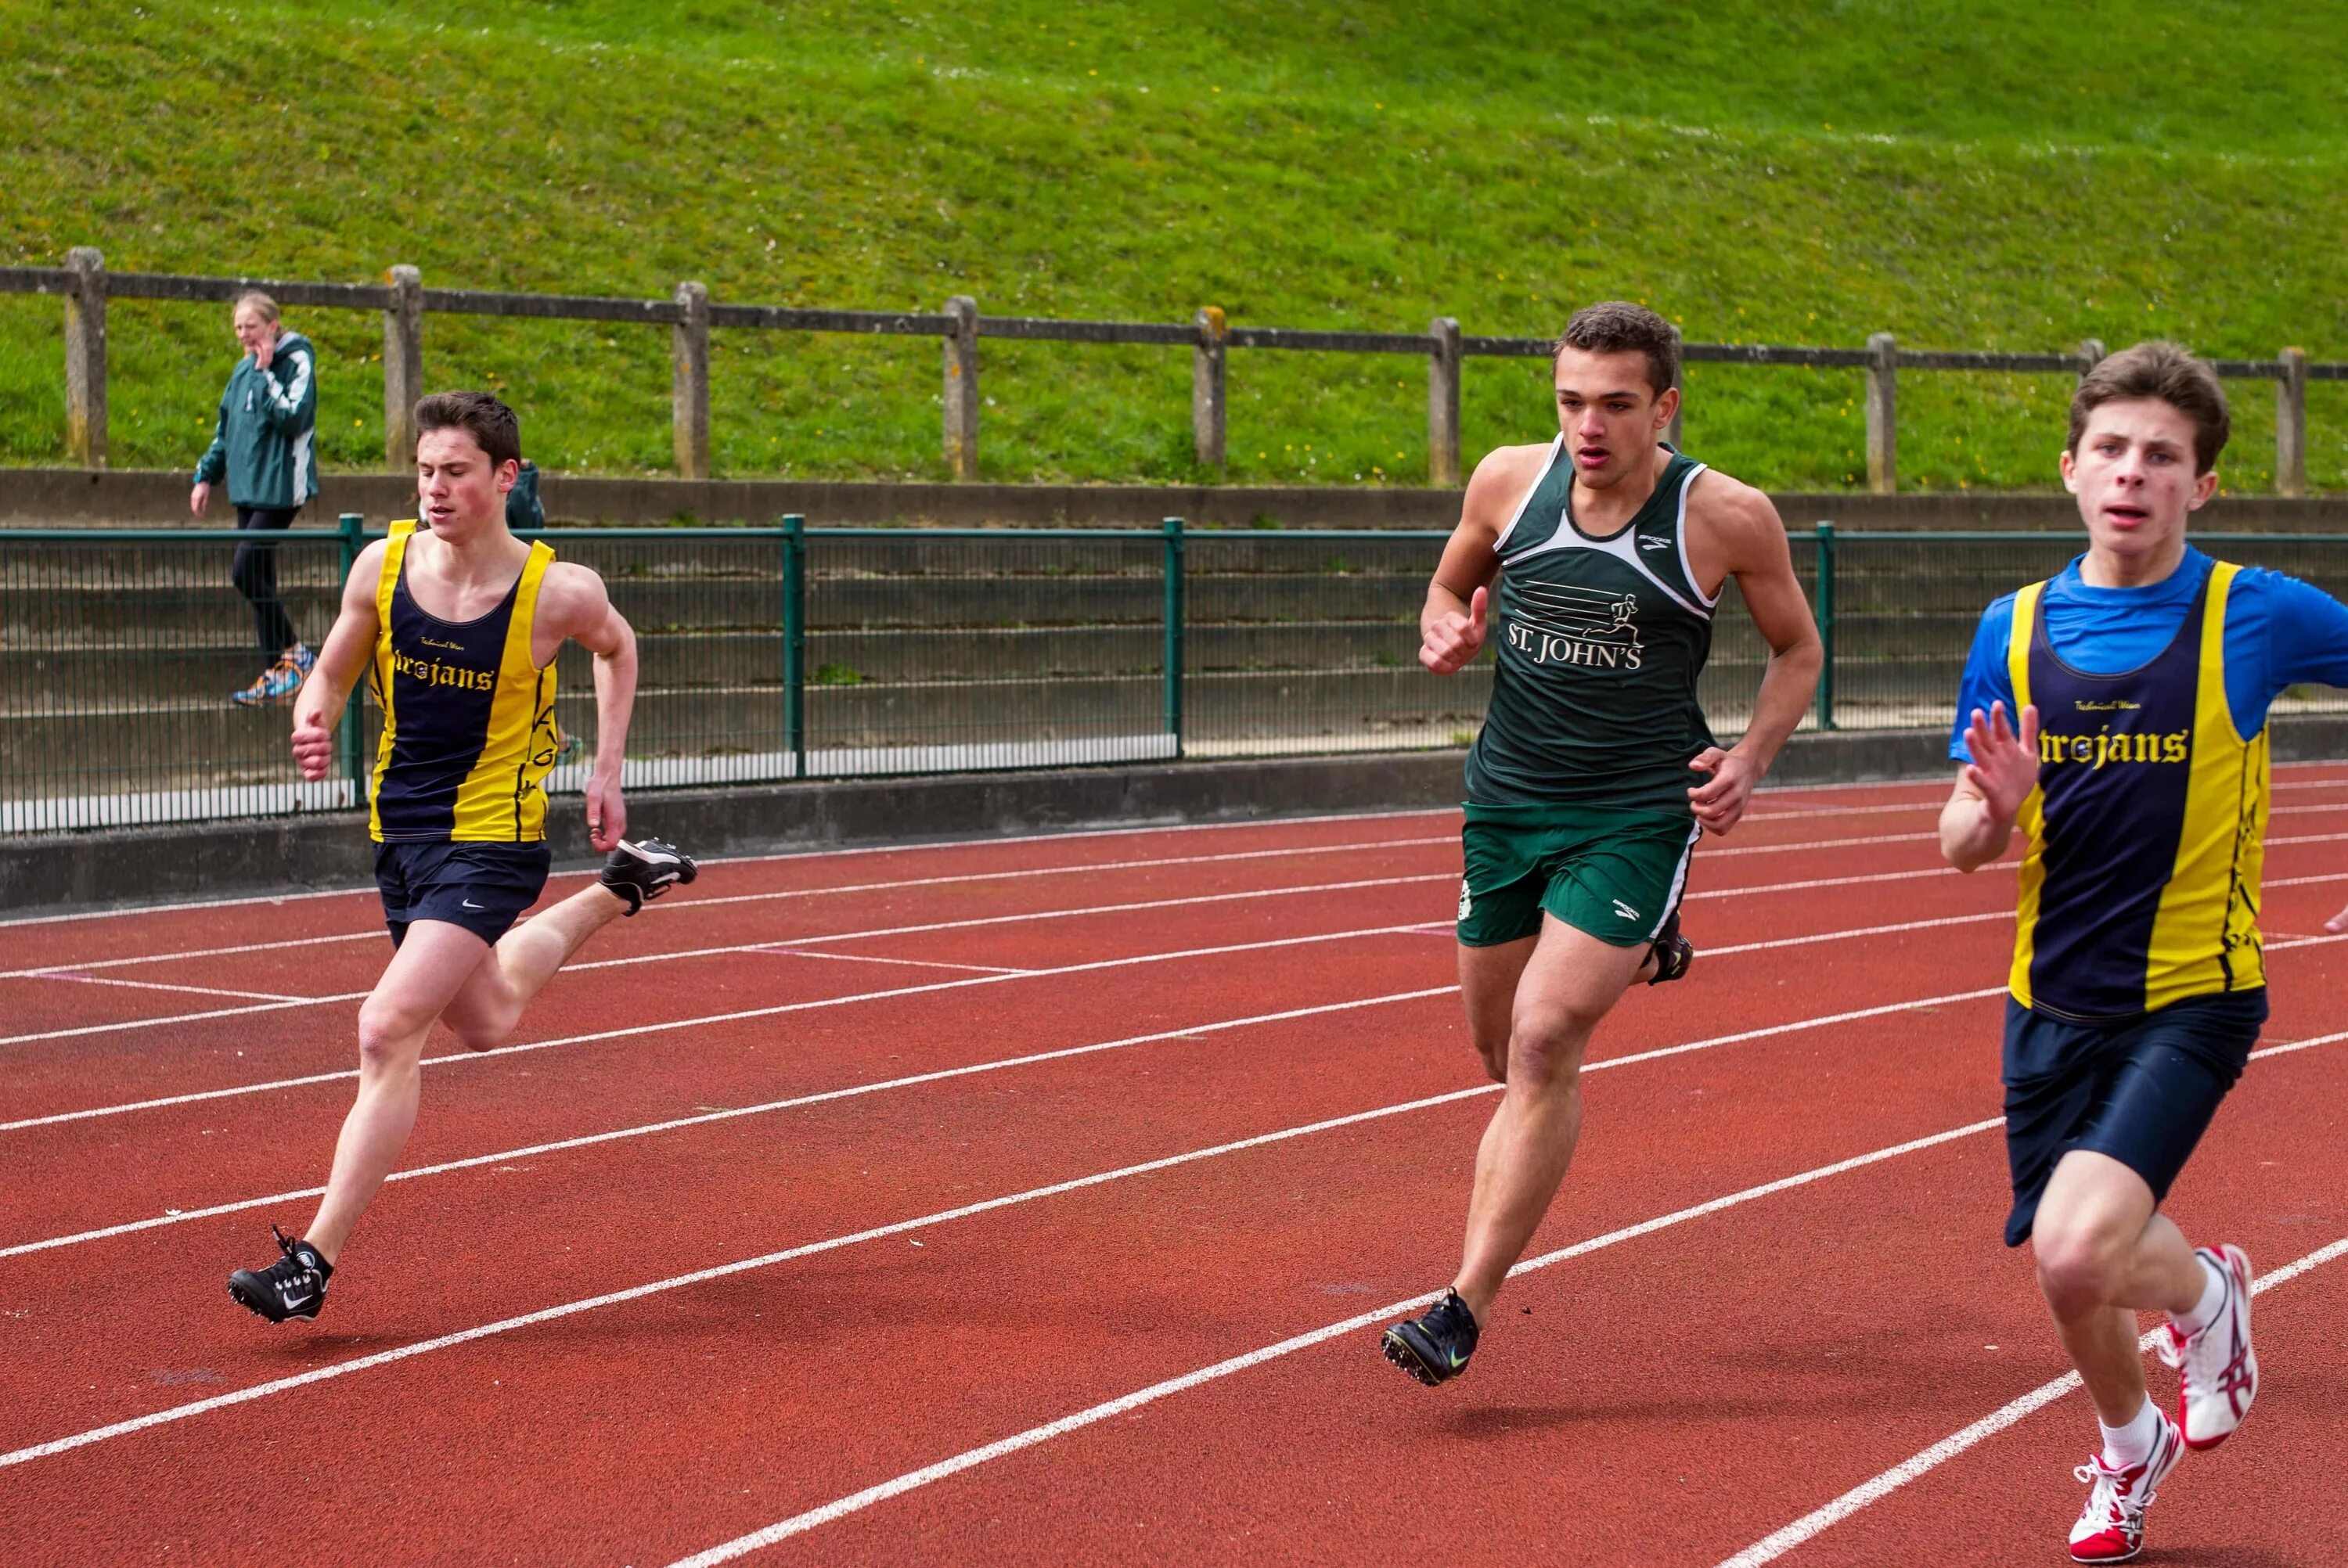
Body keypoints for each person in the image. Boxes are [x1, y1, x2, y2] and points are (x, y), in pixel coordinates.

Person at [1939, 342, 2348, 1563]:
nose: (2133, 474)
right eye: (2111, 450)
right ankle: (2132, 1441)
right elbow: (1957, 838)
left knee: (2079, 1241)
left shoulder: (2254, 615)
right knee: (2075, 1278)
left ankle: (2213, 1300)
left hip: (2195, 997)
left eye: (2161, 457)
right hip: (2050, 1001)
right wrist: (1995, 808)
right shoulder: (2011, 631)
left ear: (2200, 487)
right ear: (2071, 470)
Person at [1379, 302, 1823, 1386]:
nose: (1590, 425)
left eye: (1617, 404)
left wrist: (1751, 761)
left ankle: (1462, 1306)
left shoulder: (1723, 516)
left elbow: (1798, 650)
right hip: (1509, 804)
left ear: (1663, 406)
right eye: (1573, 400)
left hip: (1635, 810)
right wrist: (1445, 621)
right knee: (1495, 1054)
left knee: (1541, 1043)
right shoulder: (1506, 482)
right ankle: (1651, 943)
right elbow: (1447, 581)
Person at [228, 390, 697, 1324]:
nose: (434, 489)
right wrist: (311, 713)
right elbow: (332, 667)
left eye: (455, 472)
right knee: (482, 1018)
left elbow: (619, 647)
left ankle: (312, 1261)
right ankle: (618, 889)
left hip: (492, 841)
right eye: (424, 471)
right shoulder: (385, 562)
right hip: (400, 833)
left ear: (504, 479)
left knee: (386, 1026)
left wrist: (605, 772)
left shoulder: (555, 591)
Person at [190, 290, 322, 706]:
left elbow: (294, 417)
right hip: (247, 490)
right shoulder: (241, 372)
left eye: (250, 327)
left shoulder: (296, 361)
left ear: (272, 326)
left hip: (281, 487)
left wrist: (267, 374)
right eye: (238, 328)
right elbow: (225, 430)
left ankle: (298, 655)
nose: (244, 335)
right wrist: (206, 477)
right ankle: (277, 670)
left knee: (244, 571)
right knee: (260, 577)